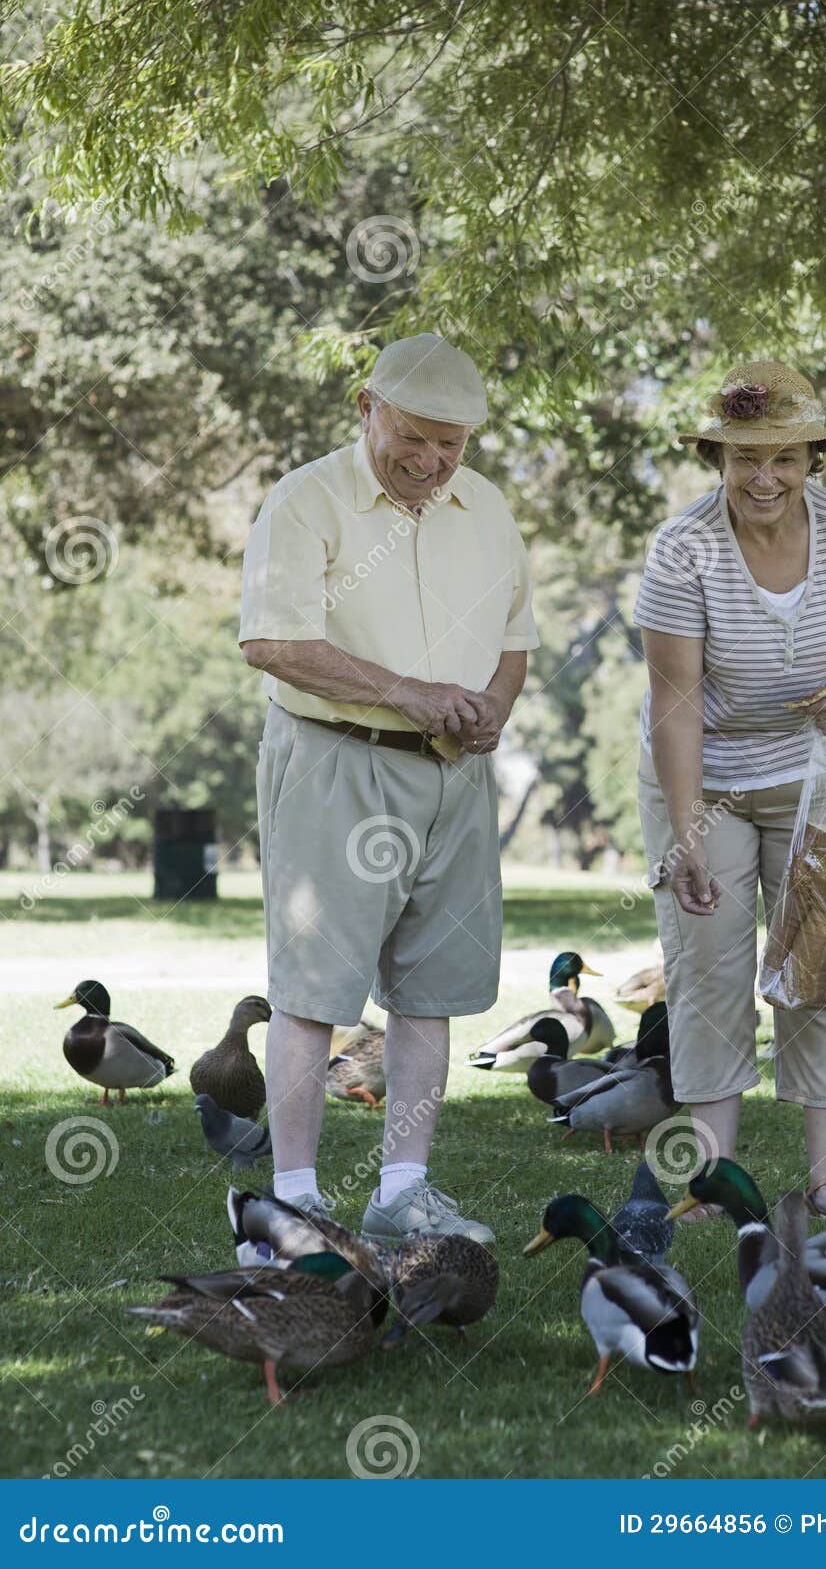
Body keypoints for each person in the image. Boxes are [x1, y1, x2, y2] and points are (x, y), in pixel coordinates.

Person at [238, 331, 538, 1241]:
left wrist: (492, 704)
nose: (432, 459)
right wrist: (411, 693)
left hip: (455, 775)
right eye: (413, 435)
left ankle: (402, 1193)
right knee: (313, 993)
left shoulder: (484, 508)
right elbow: (273, 643)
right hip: (338, 759)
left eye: (451, 443)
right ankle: (293, 1201)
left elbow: (514, 638)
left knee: (430, 991)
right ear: (366, 408)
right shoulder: (306, 501)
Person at [633, 359, 826, 1220]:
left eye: (783, 459)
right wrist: (684, 834)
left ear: (811, 462)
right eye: (744, 458)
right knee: (708, 967)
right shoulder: (683, 547)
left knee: (819, 966)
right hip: (703, 776)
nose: (764, 478)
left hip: (816, 776)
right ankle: (714, 1180)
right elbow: (674, 702)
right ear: (716, 459)